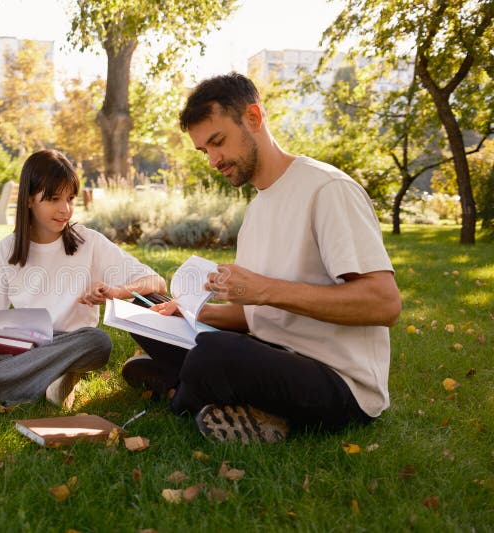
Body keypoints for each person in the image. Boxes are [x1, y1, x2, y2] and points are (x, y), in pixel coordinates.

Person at [121, 73, 401, 443]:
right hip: (273, 356)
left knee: (212, 355)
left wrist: (265, 289)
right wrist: (191, 312)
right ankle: (200, 389)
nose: (213, 161)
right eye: (205, 151)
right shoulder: (256, 210)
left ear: (253, 118)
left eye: (217, 142)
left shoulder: (327, 190)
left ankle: (183, 388)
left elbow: (384, 303)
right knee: (147, 310)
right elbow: (259, 316)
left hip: (338, 381)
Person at [0, 149, 167, 409]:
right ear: (29, 200)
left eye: (70, 198)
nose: (65, 209)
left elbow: (156, 282)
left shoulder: (88, 242)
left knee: (97, 342)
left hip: (69, 343)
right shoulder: (6, 250)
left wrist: (116, 291)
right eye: (54, 199)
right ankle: (47, 377)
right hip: (18, 345)